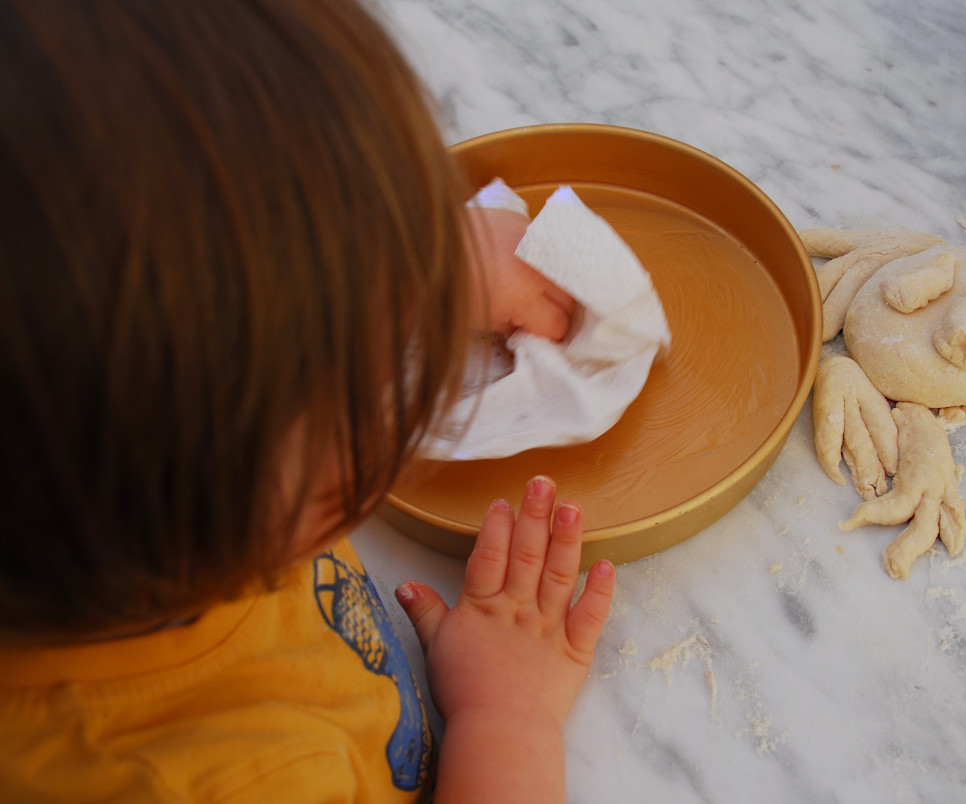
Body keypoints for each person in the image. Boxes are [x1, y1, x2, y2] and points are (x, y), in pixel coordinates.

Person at [0, 0, 613, 801]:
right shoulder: (216, 778)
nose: (401, 379)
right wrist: (504, 720)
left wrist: (433, 266)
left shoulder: (117, 494)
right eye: (364, 382)